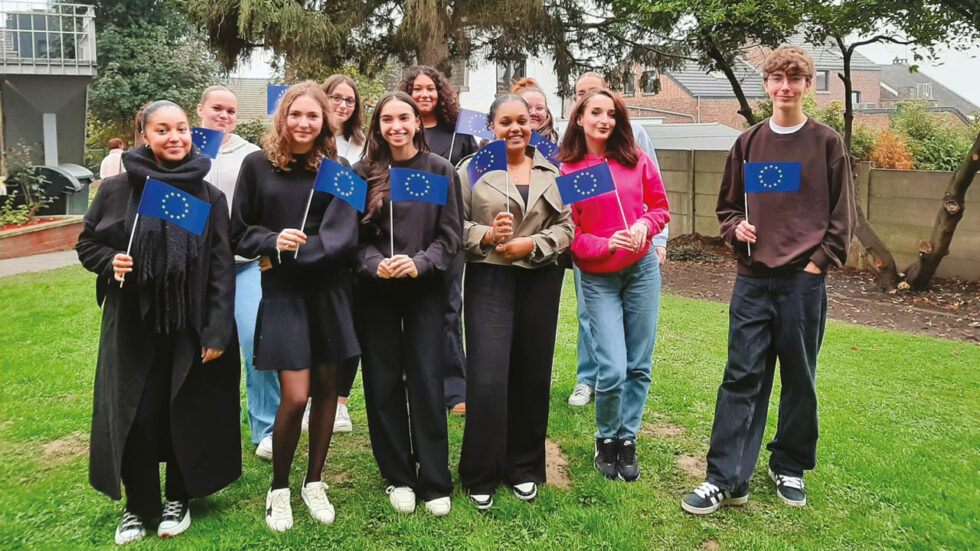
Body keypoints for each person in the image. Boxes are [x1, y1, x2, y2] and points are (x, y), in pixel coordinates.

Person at [681, 46, 855, 515]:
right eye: (777, 78)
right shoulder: (749, 143)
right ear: (766, 84)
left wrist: (818, 263)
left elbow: (842, 217)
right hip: (753, 280)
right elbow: (728, 208)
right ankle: (725, 477)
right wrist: (736, 228)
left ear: (807, 85)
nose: (785, 87)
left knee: (799, 378)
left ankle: (790, 466)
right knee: (741, 376)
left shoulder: (826, 144)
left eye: (795, 79)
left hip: (803, 282)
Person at [76, 100, 240, 544]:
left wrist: (218, 328)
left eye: (182, 129)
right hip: (135, 324)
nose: (175, 137)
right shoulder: (115, 190)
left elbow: (222, 268)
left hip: (190, 324)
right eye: (163, 130)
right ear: (144, 136)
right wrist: (112, 260)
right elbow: (87, 244)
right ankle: (137, 505)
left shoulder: (209, 196)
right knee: (140, 416)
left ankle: (179, 498)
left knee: (184, 413)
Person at [231, 81, 360, 532]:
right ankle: (279, 488)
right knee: (296, 395)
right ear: (282, 118)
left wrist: (296, 254)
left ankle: (314, 481)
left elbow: (345, 234)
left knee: (327, 390)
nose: (304, 124)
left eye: (313, 116)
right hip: (284, 293)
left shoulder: (338, 168)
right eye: (295, 115)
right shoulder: (255, 165)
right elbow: (239, 231)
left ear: (325, 120)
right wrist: (273, 242)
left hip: (329, 290)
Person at [457, 94, 573, 509]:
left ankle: (524, 467)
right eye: (505, 122)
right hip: (490, 279)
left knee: (532, 373)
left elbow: (567, 227)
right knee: (488, 378)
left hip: (540, 278)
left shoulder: (552, 169)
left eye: (522, 121)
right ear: (491, 127)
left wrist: (532, 242)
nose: (515, 129)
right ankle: (480, 472)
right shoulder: (471, 170)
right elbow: (455, 226)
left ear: (534, 125)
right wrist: (487, 235)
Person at [352, 92, 462, 517]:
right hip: (376, 291)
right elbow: (351, 238)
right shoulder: (361, 173)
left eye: (404, 118)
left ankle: (434, 479)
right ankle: (398, 475)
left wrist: (420, 263)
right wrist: (373, 263)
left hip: (424, 290)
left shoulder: (440, 170)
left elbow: (450, 235)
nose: (395, 126)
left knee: (426, 380)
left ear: (418, 122)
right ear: (378, 126)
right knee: (382, 383)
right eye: (386, 119)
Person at [559, 88, 670, 483]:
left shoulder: (636, 159)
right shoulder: (569, 171)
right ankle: (605, 437)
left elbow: (659, 208)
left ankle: (628, 438)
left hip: (641, 272)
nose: (604, 120)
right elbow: (570, 235)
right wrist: (605, 243)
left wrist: (643, 225)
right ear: (579, 118)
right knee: (612, 367)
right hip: (598, 277)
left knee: (638, 364)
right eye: (596, 113)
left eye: (611, 114)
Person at [197, 85, 275, 461]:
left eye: (230, 110)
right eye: (217, 108)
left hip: (243, 265)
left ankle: (267, 427)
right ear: (200, 110)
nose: (224, 116)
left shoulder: (251, 155)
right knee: (200, 349)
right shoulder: (185, 149)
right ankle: (205, 427)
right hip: (194, 270)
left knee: (257, 340)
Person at [397, 66, 471, 415]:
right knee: (410, 313)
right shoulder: (400, 133)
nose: (424, 94)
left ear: (441, 94)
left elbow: (475, 174)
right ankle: (413, 385)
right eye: (417, 89)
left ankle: (455, 387)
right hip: (408, 236)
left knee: (449, 308)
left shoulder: (458, 133)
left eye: (431, 89)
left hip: (447, 233)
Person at [511, 77, 560, 144]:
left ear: (546, 111)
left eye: (539, 108)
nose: (533, 113)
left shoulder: (562, 144)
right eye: (527, 108)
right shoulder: (501, 143)